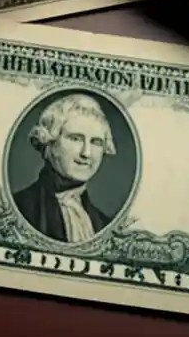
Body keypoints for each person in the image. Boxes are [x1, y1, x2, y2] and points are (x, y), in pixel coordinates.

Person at [12, 93, 116, 243]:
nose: (86, 153)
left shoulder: (104, 225)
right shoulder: (18, 209)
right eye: (76, 139)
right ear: (50, 142)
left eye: (96, 142)